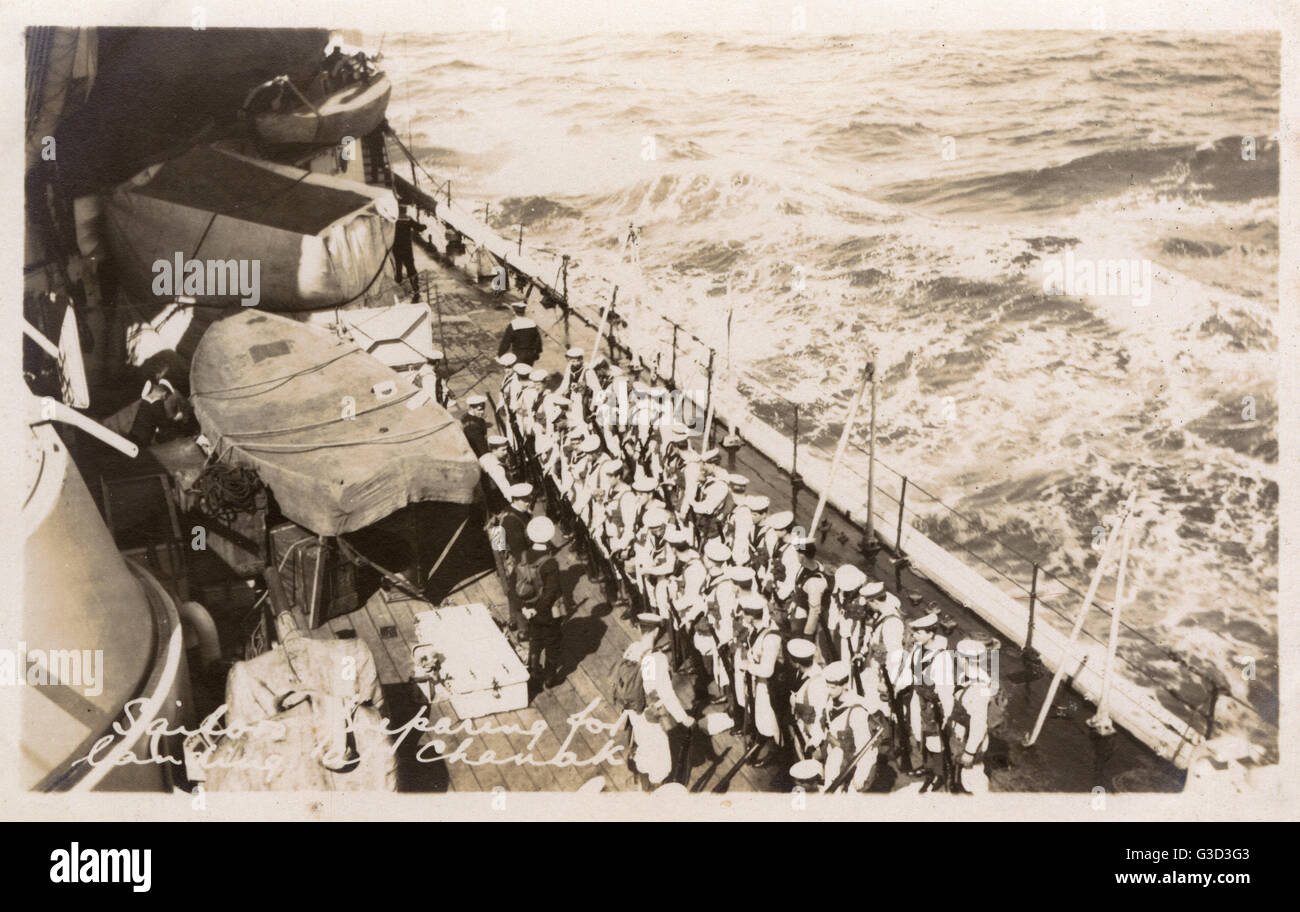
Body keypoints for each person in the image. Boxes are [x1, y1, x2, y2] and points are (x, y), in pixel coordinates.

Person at [513, 516, 566, 689]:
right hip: (547, 611)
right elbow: (551, 592)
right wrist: (538, 609)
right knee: (552, 642)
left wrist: (525, 608)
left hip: (528, 606)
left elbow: (514, 581)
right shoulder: (550, 563)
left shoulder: (524, 556)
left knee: (535, 640)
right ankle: (550, 677)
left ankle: (534, 673)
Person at [820, 660, 884, 792]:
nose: (829, 691)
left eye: (833, 688)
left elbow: (865, 748)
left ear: (844, 685)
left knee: (852, 797)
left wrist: (860, 775)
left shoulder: (856, 710)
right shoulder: (830, 703)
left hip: (858, 761)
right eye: (827, 686)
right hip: (838, 756)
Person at [947, 638, 994, 794]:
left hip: (971, 741)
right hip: (962, 735)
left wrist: (970, 751)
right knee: (962, 776)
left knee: (973, 777)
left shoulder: (979, 688)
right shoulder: (969, 677)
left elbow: (979, 724)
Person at [393, 205, 425, 300]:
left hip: (396, 249)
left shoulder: (393, 219)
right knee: (411, 270)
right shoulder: (408, 220)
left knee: (397, 270)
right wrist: (424, 226)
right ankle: (416, 291)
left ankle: (397, 293)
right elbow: (419, 228)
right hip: (407, 249)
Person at [497, 299, 543, 365]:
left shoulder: (513, 324)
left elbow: (506, 342)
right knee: (527, 370)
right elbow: (538, 339)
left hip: (518, 354)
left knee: (519, 370)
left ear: (514, 312)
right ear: (524, 312)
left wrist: (500, 354)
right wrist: (538, 352)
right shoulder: (531, 323)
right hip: (531, 354)